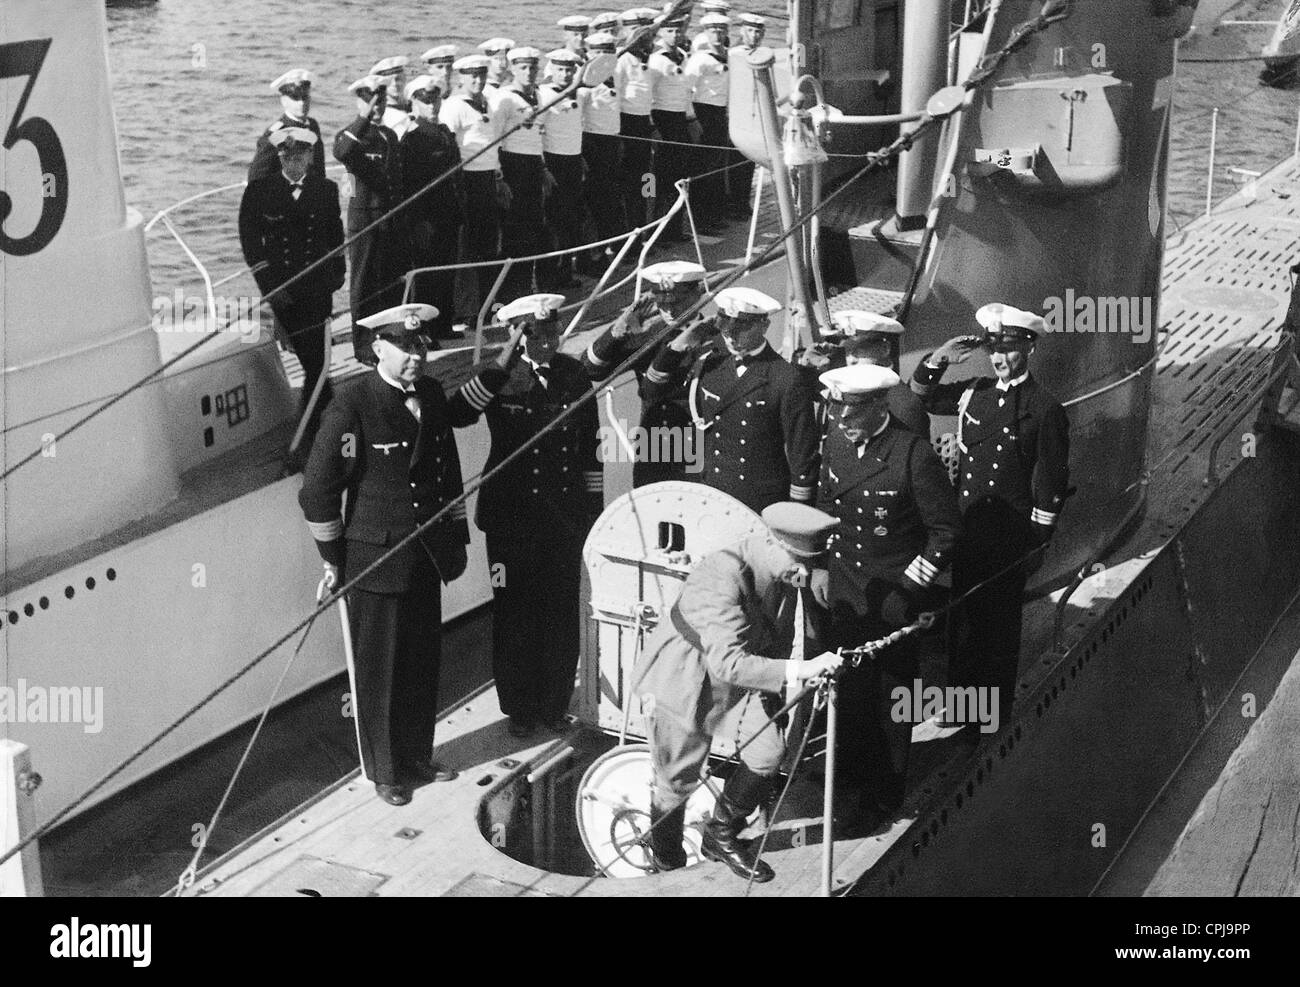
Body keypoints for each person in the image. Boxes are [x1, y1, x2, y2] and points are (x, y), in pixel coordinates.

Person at [298, 303, 524, 806]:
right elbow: (317, 491)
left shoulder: (428, 393)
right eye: (406, 348)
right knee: (380, 672)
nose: (417, 357)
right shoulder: (352, 404)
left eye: (423, 347)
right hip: (375, 560)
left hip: (426, 553)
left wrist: (504, 359)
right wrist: (335, 557)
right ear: (378, 347)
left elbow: (453, 447)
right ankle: (386, 771)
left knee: (422, 661)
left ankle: (418, 754)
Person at [633, 501, 844, 881]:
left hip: (747, 670)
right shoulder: (724, 575)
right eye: (799, 561)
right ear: (771, 540)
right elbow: (726, 664)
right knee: (676, 781)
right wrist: (800, 670)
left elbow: (780, 635)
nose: (804, 573)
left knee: (768, 754)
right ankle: (666, 865)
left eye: (810, 563)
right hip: (687, 676)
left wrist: (794, 679)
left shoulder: (783, 569)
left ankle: (719, 833)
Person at [811, 363, 961, 831]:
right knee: (850, 696)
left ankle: (884, 795)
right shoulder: (835, 443)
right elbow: (825, 505)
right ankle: (850, 785)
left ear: (878, 406)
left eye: (850, 411)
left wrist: (912, 588)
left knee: (892, 699)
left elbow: (946, 531)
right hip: (847, 595)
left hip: (893, 598)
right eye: (836, 410)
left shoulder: (911, 454)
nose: (841, 419)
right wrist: (818, 566)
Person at [910, 303, 1071, 720]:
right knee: (962, 626)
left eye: (1009, 350)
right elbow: (921, 394)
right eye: (994, 351)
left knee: (997, 634)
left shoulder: (1044, 408)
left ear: (1029, 349)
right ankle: (962, 711)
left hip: (1008, 540)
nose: (1000, 359)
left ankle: (989, 719)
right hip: (969, 531)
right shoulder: (972, 393)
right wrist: (939, 359)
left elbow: (1051, 481)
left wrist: (1037, 542)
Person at [475, 293, 604, 739]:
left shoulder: (573, 376)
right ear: (517, 334)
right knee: (514, 611)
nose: (547, 341)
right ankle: (519, 707)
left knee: (560, 609)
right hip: (511, 520)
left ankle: (552, 703)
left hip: (563, 518)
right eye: (535, 333)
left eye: (552, 331)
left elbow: (591, 451)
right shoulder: (496, 378)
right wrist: (504, 359)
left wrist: (593, 516)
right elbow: (461, 413)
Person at [642, 285, 821, 513]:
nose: (731, 336)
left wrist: (797, 512)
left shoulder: (784, 377)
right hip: (709, 490)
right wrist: (680, 344)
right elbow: (651, 389)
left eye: (741, 329)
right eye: (725, 328)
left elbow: (801, 452)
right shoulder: (708, 363)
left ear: (764, 326)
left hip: (756, 498)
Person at [239, 127, 345, 434]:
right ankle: (316, 425)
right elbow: (251, 244)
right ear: (279, 158)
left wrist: (338, 272)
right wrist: (271, 288)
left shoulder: (325, 189)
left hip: (318, 288)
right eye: (286, 156)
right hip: (284, 291)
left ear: (311, 157)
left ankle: (320, 424)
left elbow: (334, 234)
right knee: (314, 361)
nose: (292, 162)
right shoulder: (260, 191)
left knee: (317, 360)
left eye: (299, 156)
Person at [582, 260, 709, 485]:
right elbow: (589, 370)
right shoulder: (649, 336)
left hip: (700, 450)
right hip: (654, 451)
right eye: (662, 303)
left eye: (677, 302)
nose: (669, 310)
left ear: (698, 293)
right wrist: (617, 332)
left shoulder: (716, 337)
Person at [334, 74, 407, 360]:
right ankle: (364, 346)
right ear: (360, 102)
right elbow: (343, 151)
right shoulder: (351, 135)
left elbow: (397, 180)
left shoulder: (388, 135)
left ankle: (388, 338)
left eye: (381, 100)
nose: (377, 106)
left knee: (389, 281)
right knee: (364, 285)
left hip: (390, 218)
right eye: (370, 100)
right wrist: (362, 118)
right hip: (364, 221)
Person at [440, 55, 507, 314]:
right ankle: (468, 310)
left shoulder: (486, 103)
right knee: (467, 249)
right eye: (472, 76)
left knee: (488, 245)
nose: (478, 80)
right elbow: (448, 148)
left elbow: (492, 143)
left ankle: (488, 306)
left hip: (488, 178)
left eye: (481, 74)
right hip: (467, 180)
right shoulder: (454, 106)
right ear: (461, 78)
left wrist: (498, 177)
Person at [401, 75, 464, 337]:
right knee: (426, 276)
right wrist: (417, 222)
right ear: (413, 103)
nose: (432, 105)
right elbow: (408, 185)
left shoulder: (445, 132)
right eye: (425, 100)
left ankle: (443, 324)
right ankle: (424, 329)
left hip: (448, 212)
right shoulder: (412, 139)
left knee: (446, 271)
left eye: (435, 99)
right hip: (426, 217)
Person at [496, 46, 549, 298]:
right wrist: (499, 178)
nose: (528, 73)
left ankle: (527, 284)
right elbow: (494, 139)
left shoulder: (537, 95)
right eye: (522, 68)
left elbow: (538, 136)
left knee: (534, 227)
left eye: (532, 68)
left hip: (533, 167)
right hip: (512, 167)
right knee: (514, 231)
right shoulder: (505, 97)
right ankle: (510, 291)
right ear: (512, 69)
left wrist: (543, 168)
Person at [539, 49, 589, 290]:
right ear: (552, 70)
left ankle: (565, 273)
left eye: (569, 69)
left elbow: (574, 128)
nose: (565, 74)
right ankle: (549, 277)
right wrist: (543, 168)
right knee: (553, 223)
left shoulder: (575, 94)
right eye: (560, 69)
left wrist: (579, 157)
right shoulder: (544, 95)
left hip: (572, 161)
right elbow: (537, 134)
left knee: (572, 219)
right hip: (553, 164)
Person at [579, 31, 627, 264]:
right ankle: (591, 255)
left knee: (635, 188)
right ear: (589, 55)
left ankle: (616, 244)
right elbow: (577, 120)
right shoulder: (585, 84)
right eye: (598, 53)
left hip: (613, 142)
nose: (603, 59)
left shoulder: (615, 76)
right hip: (592, 145)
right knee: (594, 201)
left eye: (608, 53)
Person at [648, 15, 693, 241]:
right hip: (663, 121)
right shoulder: (656, 61)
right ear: (661, 33)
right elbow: (647, 97)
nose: (675, 36)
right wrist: (653, 127)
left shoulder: (682, 57)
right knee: (661, 180)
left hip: (680, 121)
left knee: (680, 176)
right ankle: (659, 232)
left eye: (678, 31)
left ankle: (675, 228)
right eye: (669, 31)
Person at [684, 12, 732, 227]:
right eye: (713, 31)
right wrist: (691, 117)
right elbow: (685, 88)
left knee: (717, 166)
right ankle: (700, 218)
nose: (718, 35)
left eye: (721, 31)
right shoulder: (700, 59)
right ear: (706, 33)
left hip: (721, 113)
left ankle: (716, 214)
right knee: (702, 168)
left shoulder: (730, 56)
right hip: (703, 113)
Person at [616, 16, 656, 234]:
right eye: (642, 36)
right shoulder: (624, 61)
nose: (648, 40)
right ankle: (630, 232)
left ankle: (645, 224)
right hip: (628, 126)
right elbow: (618, 98)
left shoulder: (647, 61)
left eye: (649, 36)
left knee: (648, 179)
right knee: (630, 184)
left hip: (644, 125)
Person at [249, 69, 326, 183]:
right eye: (295, 98)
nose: (301, 103)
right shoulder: (276, 133)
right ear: (283, 101)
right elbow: (255, 181)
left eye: (304, 97)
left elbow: (319, 170)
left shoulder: (313, 126)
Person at [727, 14, 766, 215]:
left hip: (754, 114)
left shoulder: (762, 55)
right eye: (750, 30)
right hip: (737, 113)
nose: (754, 35)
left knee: (748, 160)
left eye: (758, 31)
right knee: (734, 161)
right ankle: (734, 204)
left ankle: (742, 202)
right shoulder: (735, 55)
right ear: (742, 32)